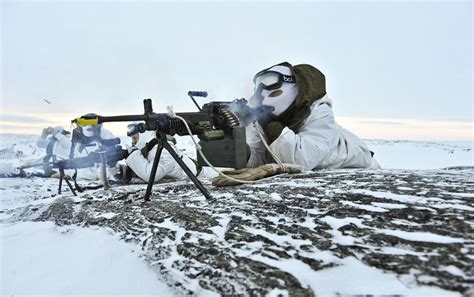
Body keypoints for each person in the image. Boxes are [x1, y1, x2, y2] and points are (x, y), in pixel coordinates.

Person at [244, 61, 380, 170]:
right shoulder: (270, 118)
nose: (267, 99)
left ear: (294, 88)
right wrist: (242, 150)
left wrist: (271, 127)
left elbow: (301, 159)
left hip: (362, 167)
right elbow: (261, 158)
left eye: (274, 93)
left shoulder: (319, 113)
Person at [116, 122, 216, 184]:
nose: (132, 140)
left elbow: (151, 176)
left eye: (135, 136)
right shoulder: (149, 148)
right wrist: (118, 167)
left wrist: (130, 155)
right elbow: (142, 170)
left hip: (206, 176)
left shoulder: (163, 151)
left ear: (145, 134)